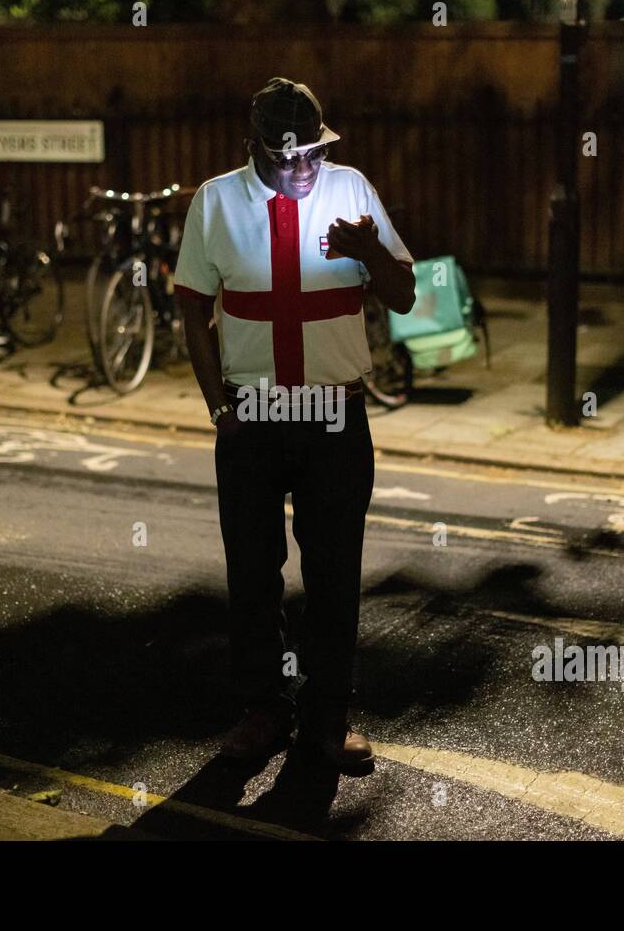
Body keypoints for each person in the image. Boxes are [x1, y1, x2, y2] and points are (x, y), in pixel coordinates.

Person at [174, 77, 415, 769]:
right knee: (252, 571)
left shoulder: (351, 190)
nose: (302, 169)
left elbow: (402, 294)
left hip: (335, 412)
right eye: (287, 158)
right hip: (253, 413)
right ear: (252, 148)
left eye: (312, 153)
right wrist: (219, 405)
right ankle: (261, 709)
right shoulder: (216, 201)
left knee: (335, 572)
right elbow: (192, 305)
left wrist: (368, 251)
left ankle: (328, 715)